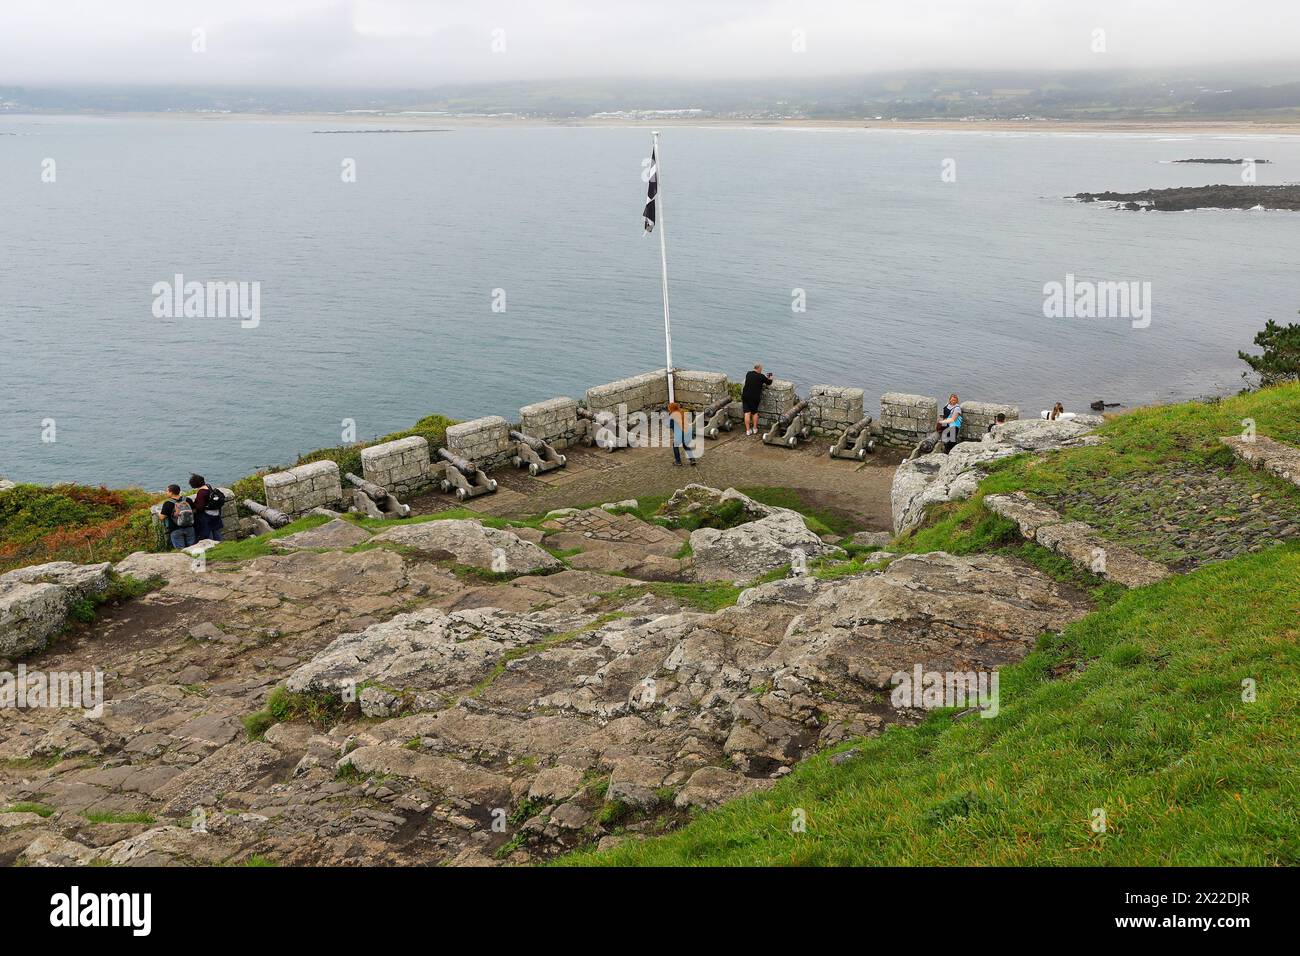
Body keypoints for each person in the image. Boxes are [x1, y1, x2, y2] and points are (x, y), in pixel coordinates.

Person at [189, 474, 225, 542]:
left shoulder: (201, 492)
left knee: (208, 532)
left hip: (207, 515)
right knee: (216, 531)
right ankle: (221, 544)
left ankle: (211, 546)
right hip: (215, 512)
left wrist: (193, 506)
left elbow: (200, 507)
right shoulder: (208, 486)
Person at [160, 484, 197, 550]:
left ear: (171, 492)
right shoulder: (188, 500)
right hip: (189, 527)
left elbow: (162, 517)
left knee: (180, 550)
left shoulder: (168, 503)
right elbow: (194, 511)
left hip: (175, 529)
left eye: (167, 491)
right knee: (192, 548)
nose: (166, 492)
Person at [741, 364, 774, 436]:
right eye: (761, 369)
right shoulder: (761, 376)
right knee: (754, 412)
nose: (761, 370)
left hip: (745, 395)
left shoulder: (748, 373)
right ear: (759, 369)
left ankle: (747, 430)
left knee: (747, 412)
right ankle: (755, 428)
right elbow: (769, 382)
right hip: (754, 397)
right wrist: (770, 378)